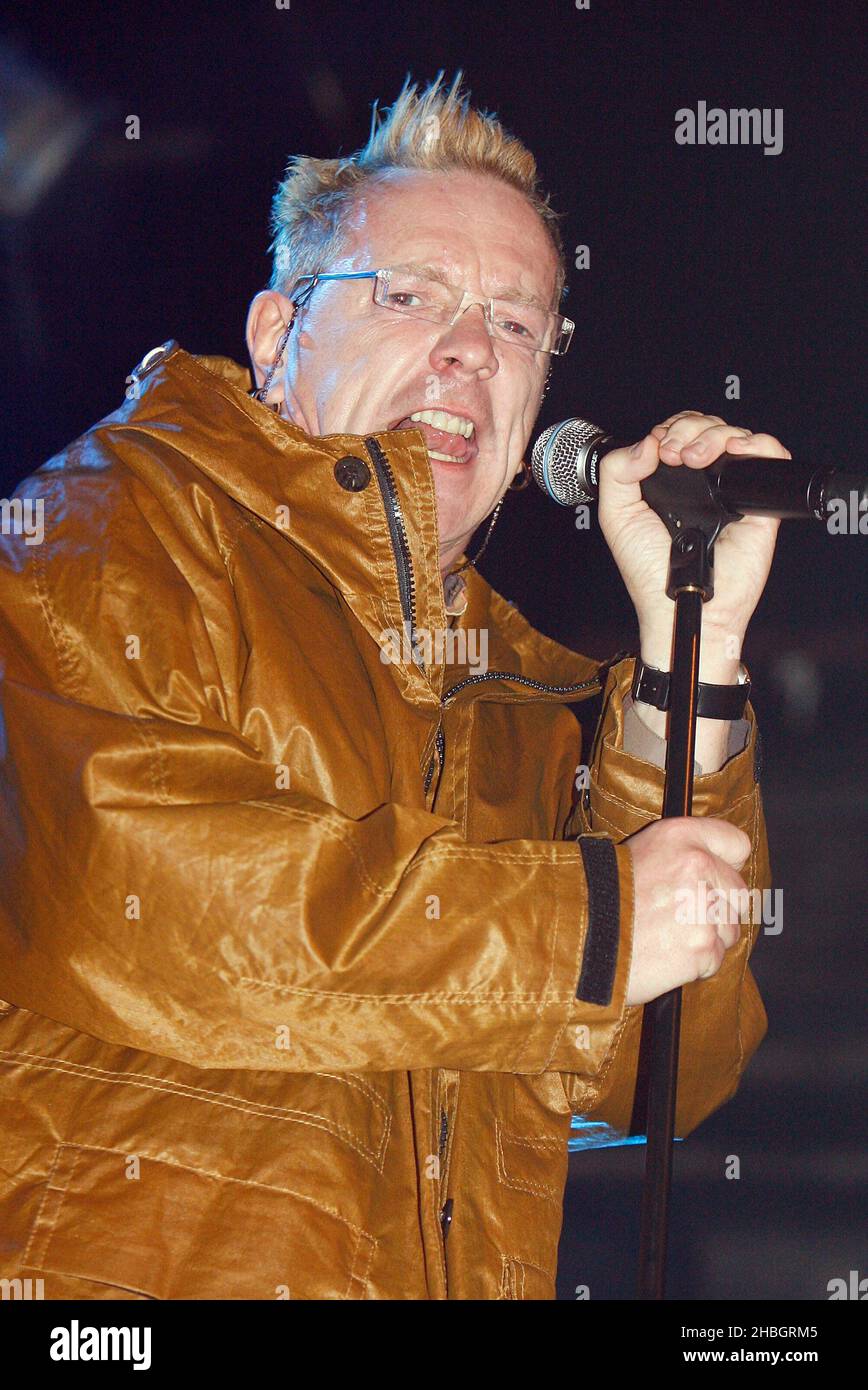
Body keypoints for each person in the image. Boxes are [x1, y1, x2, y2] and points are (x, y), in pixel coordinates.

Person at [0, 72, 784, 1301]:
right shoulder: (108, 526)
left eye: (517, 323)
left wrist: (695, 660)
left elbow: (666, 1071)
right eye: (411, 296)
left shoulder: (522, 695)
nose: (469, 349)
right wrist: (584, 922)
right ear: (275, 334)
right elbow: (136, 880)